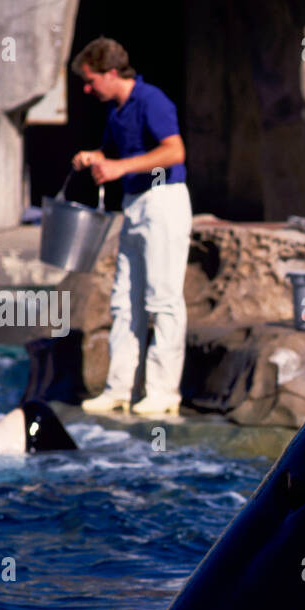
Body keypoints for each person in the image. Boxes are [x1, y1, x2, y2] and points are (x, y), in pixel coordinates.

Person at [69, 37, 191, 418]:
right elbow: (115, 155)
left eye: (91, 81)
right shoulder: (117, 111)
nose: (87, 89)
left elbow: (174, 151)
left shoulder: (151, 100)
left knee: (162, 299)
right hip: (134, 205)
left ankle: (163, 390)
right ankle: (119, 387)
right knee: (124, 300)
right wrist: (95, 159)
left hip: (163, 200)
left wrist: (121, 168)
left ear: (110, 72)